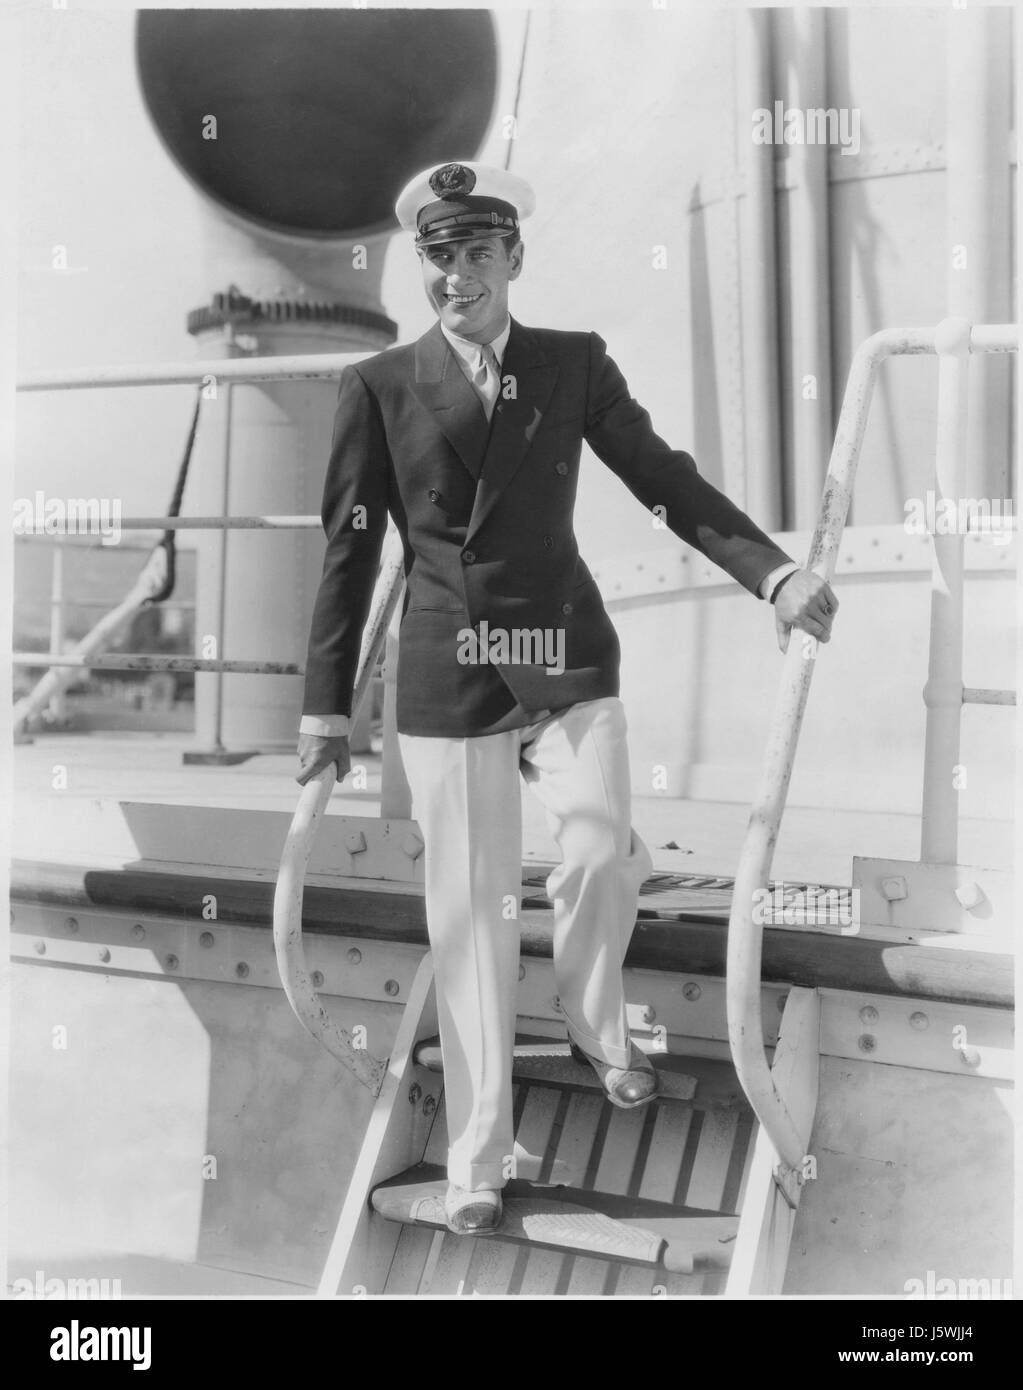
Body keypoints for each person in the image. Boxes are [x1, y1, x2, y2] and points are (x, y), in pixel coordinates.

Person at [296, 161, 837, 1236]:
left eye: (479, 254)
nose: (458, 277)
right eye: (438, 257)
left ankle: (599, 1029)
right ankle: (478, 1157)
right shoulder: (381, 386)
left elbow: (665, 478)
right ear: (424, 265)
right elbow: (348, 558)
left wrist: (772, 574)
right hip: (450, 677)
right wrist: (323, 712)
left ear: (515, 260)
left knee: (596, 847)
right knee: (472, 917)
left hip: (564, 655)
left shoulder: (572, 364)